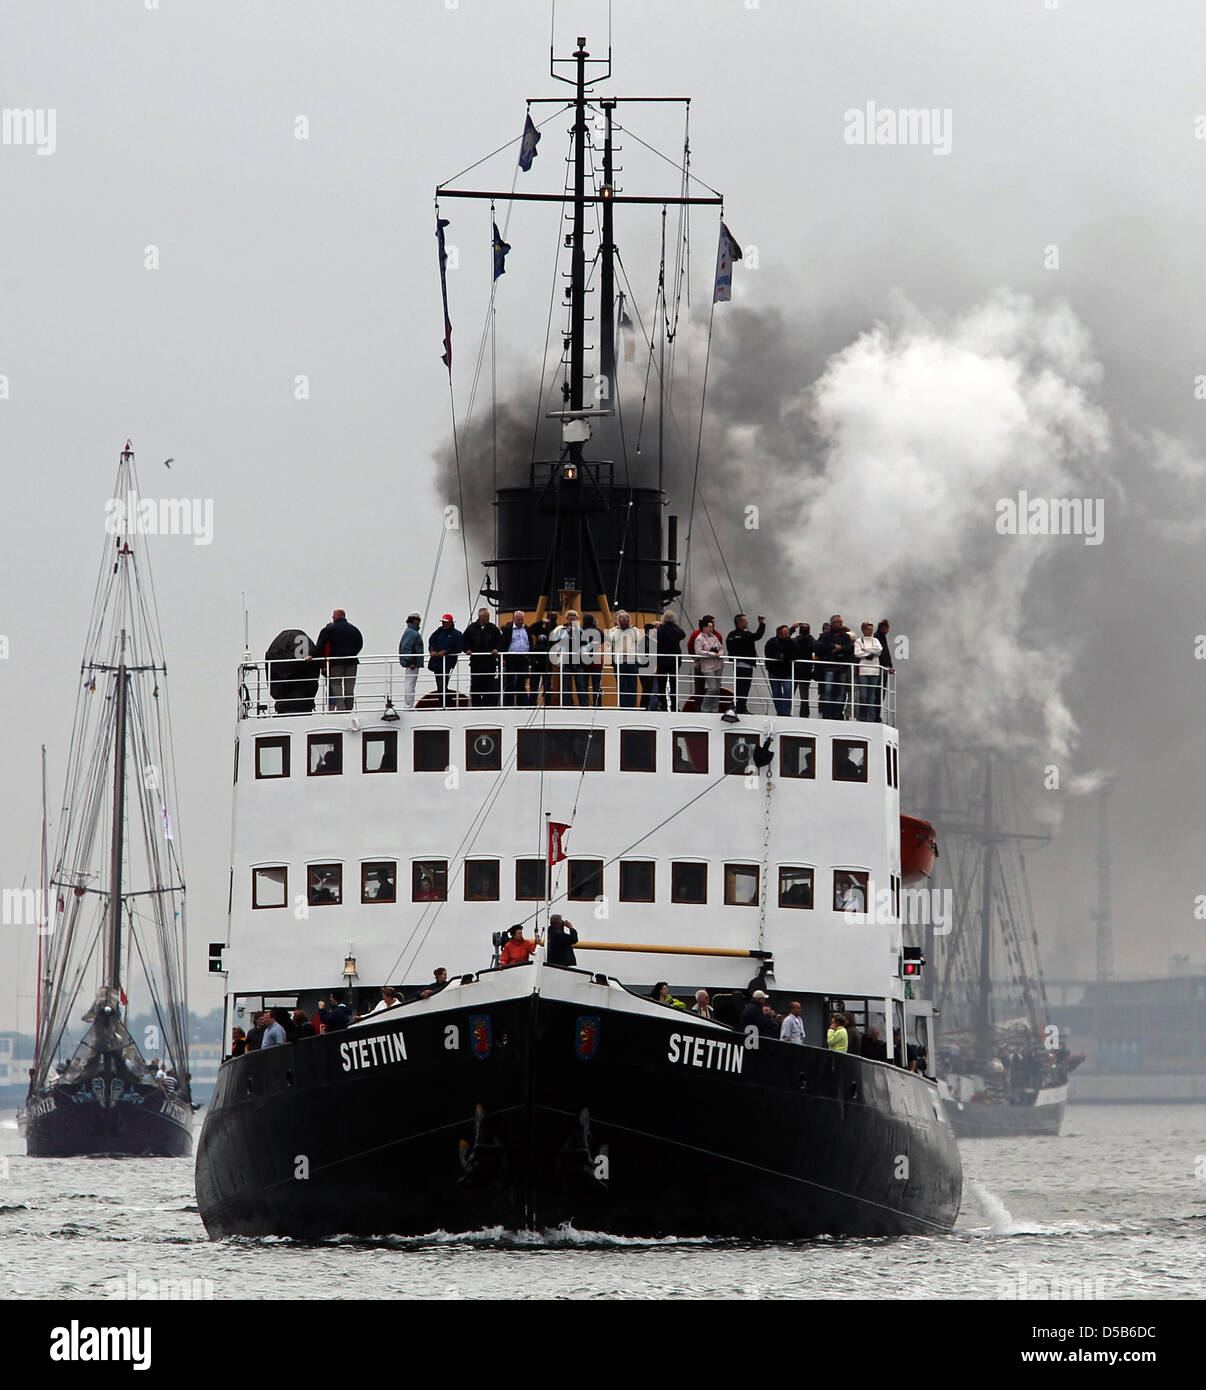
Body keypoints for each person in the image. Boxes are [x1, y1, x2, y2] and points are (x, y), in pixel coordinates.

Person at [313, 609, 364, 712]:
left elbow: (320, 645)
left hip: (336, 662)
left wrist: (311, 655)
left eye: (333, 616)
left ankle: (341, 708)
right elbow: (360, 644)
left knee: (336, 684)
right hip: (352, 661)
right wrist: (352, 653)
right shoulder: (354, 629)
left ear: (336, 616)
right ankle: (349, 708)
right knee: (349, 687)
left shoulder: (330, 629)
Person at [725, 613, 766, 714]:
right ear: (740, 622)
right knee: (744, 687)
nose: (747, 622)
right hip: (746, 665)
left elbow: (729, 648)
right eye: (745, 620)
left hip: (737, 664)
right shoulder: (746, 634)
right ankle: (741, 708)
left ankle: (736, 706)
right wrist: (761, 624)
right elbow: (757, 636)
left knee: (738, 686)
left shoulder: (731, 635)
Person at [815, 615, 854, 719]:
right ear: (832, 623)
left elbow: (850, 648)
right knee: (828, 692)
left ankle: (837, 715)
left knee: (841, 692)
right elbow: (818, 648)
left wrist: (840, 648)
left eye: (841, 621)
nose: (841, 624)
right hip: (829, 668)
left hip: (841, 668)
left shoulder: (845, 636)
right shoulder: (826, 635)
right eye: (838, 622)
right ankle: (827, 715)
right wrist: (832, 647)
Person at [463, 607, 503, 707]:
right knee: (476, 686)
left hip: (489, 663)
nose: (487, 618)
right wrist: (466, 649)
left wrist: (497, 649)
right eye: (486, 616)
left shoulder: (493, 628)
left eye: (488, 616)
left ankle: (488, 706)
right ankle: (476, 706)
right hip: (476, 664)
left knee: (489, 686)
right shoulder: (471, 628)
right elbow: (464, 641)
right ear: (480, 616)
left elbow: (500, 641)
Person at [606, 610, 644, 708]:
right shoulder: (614, 630)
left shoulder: (634, 630)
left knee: (632, 683)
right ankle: (623, 704)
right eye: (621, 620)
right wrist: (619, 628)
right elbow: (612, 639)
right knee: (621, 683)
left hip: (632, 661)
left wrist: (629, 628)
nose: (624, 622)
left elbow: (637, 638)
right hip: (619, 661)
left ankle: (632, 704)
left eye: (625, 620)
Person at [649, 611, 686, 711]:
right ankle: (673, 707)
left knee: (662, 685)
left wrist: (661, 625)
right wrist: (675, 625)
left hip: (662, 661)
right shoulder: (677, 631)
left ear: (663, 619)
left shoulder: (660, 631)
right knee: (673, 685)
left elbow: (653, 636)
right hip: (674, 662)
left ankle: (664, 706)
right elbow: (683, 634)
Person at [428, 614, 464, 706]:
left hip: (448, 662)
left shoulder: (457, 634)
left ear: (451, 622)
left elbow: (459, 648)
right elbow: (431, 641)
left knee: (442, 684)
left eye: (445, 622)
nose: (443, 624)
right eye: (443, 622)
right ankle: (445, 703)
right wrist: (432, 650)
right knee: (440, 684)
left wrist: (446, 651)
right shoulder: (439, 632)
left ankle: (445, 703)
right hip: (437, 662)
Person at [499, 610, 532, 706]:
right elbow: (503, 643)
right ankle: (508, 703)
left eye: (522, 620)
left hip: (523, 658)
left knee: (522, 681)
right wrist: (504, 657)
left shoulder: (526, 628)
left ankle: (522, 703)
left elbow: (529, 641)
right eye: (519, 620)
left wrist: (530, 654)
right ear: (514, 619)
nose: (521, 622)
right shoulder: (508, 629)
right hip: (511, 657)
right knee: (510, 681)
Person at [852, 621, 884, 722]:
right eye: (869, 629)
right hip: (863, 671)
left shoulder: (876, 640)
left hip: (874, 671)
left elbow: (879, 650)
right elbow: (857, 653)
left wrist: (865, 650)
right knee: (863, 696)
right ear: (864, 630)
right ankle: (862, 717)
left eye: (871, 629)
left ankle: (870, 717)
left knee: (872, 696)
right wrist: (869, 653)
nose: (871, 631)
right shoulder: (858, 641)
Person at [550, 611, 582, 706]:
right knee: (565, 685)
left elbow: (585, 643)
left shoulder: (580, 631)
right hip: (565, 660)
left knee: (581, 684)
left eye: (574, 619)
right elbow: (557, 642)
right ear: (567, 619)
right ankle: (566, 705)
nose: (572, 621)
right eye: (570, 619)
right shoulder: (561, 630)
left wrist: (582, 650)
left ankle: (584, 705)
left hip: (577, 661)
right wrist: (566, 633)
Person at [693, 618, 725, 712]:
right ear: (704, 627)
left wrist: (720, 653)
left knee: (717, 689)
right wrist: (711, 653)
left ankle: (715, 709)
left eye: (712, 627)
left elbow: (721, 648)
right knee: (712, 688)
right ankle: (705, 708)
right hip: (707, 667)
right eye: (710, 627)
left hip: (718, 665)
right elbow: (698, 651)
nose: (712, 629)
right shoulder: (699, 638)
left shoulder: (714, 637)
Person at [763, 625, 795, 716]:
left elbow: (796, 653)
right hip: (774, 672)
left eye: (788, 633)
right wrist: (776, 656)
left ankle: (785, 713)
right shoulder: (771, 642)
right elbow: (768, 653)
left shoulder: (792, 643)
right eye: (786, 634)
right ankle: (780, 712)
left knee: (787, 693)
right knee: (776, 693)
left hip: (786, 672)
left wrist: (785, 657)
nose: (788, 635)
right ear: (779, 634)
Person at [527, 612, 556, 706]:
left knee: (546, 685)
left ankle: (547, 704)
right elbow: (530, 630)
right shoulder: (541, 629)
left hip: (546, 660)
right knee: (535, 685)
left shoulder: (553, 630)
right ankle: (532, 703)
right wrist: (540, 622)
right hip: (538, 661)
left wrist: (548, 624)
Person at [398, 612, 424, 709]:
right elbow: (406, 648)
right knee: (410, 684)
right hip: (412, 664)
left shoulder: (409, 631)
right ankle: (409, 705)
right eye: (418, 620)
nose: (419, 622)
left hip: (412, 663)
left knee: (410, 684)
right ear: (414, 620)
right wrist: (411, 662)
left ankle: (408, 705)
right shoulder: (412, 633)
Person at [575, 615, 603, 705]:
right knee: (597, 685)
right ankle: (597, 704)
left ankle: (585, 704)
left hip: (584, 661)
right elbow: (603, 638)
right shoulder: (597, 632)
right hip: (596, 661)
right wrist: (596, 626)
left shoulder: (581, 631)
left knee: (584, 685)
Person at [789, 621, 815, 717]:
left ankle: (786, 712)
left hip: (797, 671)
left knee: (791, 693)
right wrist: (810, 636)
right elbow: (816, 646)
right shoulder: (810, 640)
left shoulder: (796, 640)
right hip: (802, 671)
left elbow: (786, 638)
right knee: (804, 695)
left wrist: (793, 627)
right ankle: (804, 715)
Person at [876, 619, 894, 716]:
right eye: (887, 627)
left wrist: (890, 665)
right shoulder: (877, 637)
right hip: (881, 668)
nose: (888, 630)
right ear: (883, 627)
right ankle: (876, 714)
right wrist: (887, 665)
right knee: (879, 692)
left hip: (884, 668)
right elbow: (882, 654)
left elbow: (886, 653)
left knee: (880, 692)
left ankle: (877, 714)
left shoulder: (882, 637)